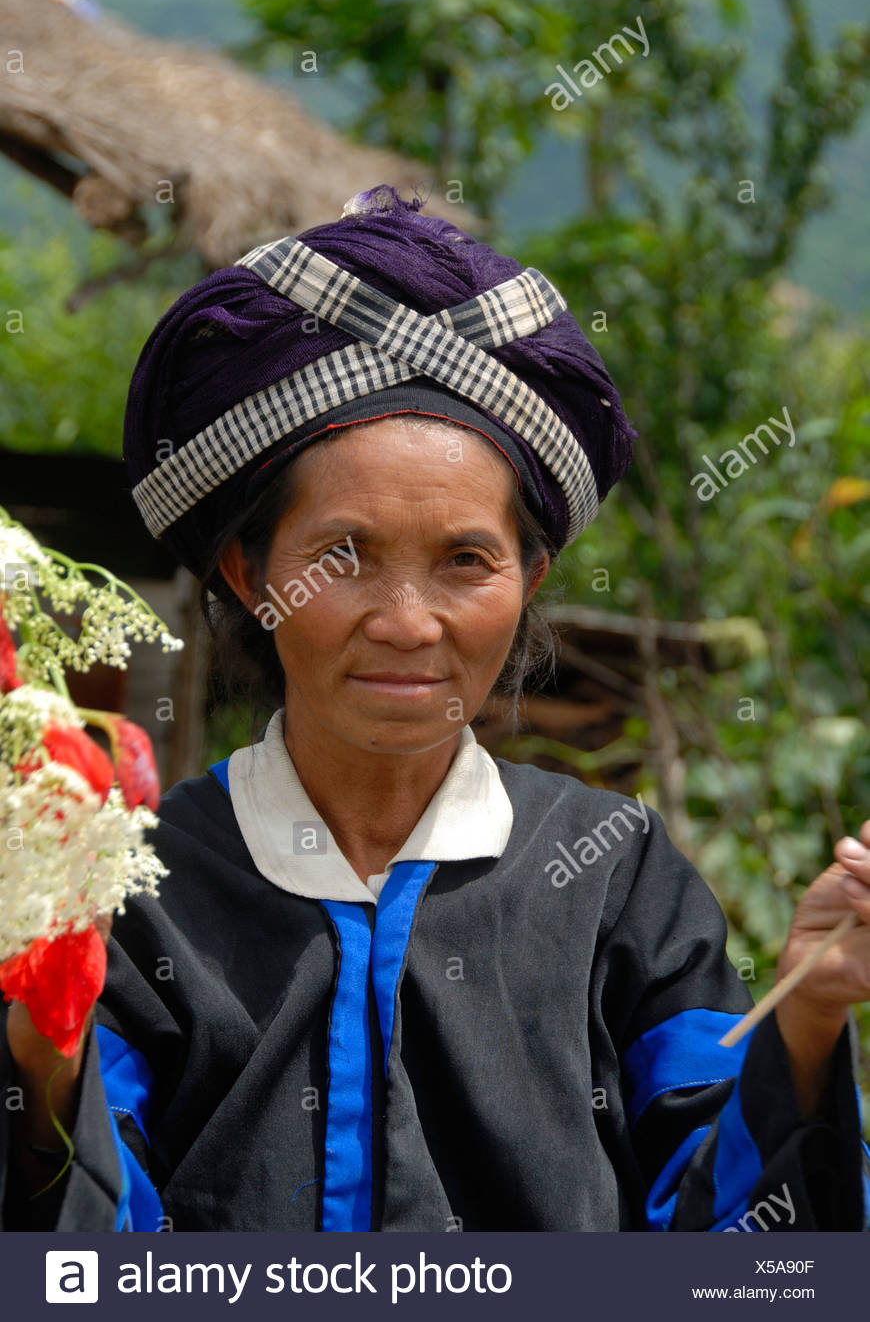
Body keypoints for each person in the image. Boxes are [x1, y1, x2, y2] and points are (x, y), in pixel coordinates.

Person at [2, 185, 869, 1233]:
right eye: (341, 557)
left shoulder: (616, 880)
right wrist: (43, 1049)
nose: (408, 623)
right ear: (244, 569)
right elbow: (77, 1262)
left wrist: (811, 1018)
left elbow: (737, 1256)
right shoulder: (137, 889)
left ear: (533, 577)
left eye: (466, 560)